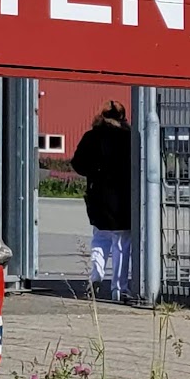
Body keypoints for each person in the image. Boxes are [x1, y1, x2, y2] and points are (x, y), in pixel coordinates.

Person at [71, 99, 135, 301]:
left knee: (100, 238)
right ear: (123, 117)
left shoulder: (92, 137)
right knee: (122, 243)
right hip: (124, 196)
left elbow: (78, 164)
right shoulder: (130, 137)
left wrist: (95, 171)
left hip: (98, 194)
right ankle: (119, 288)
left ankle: (96, 274)